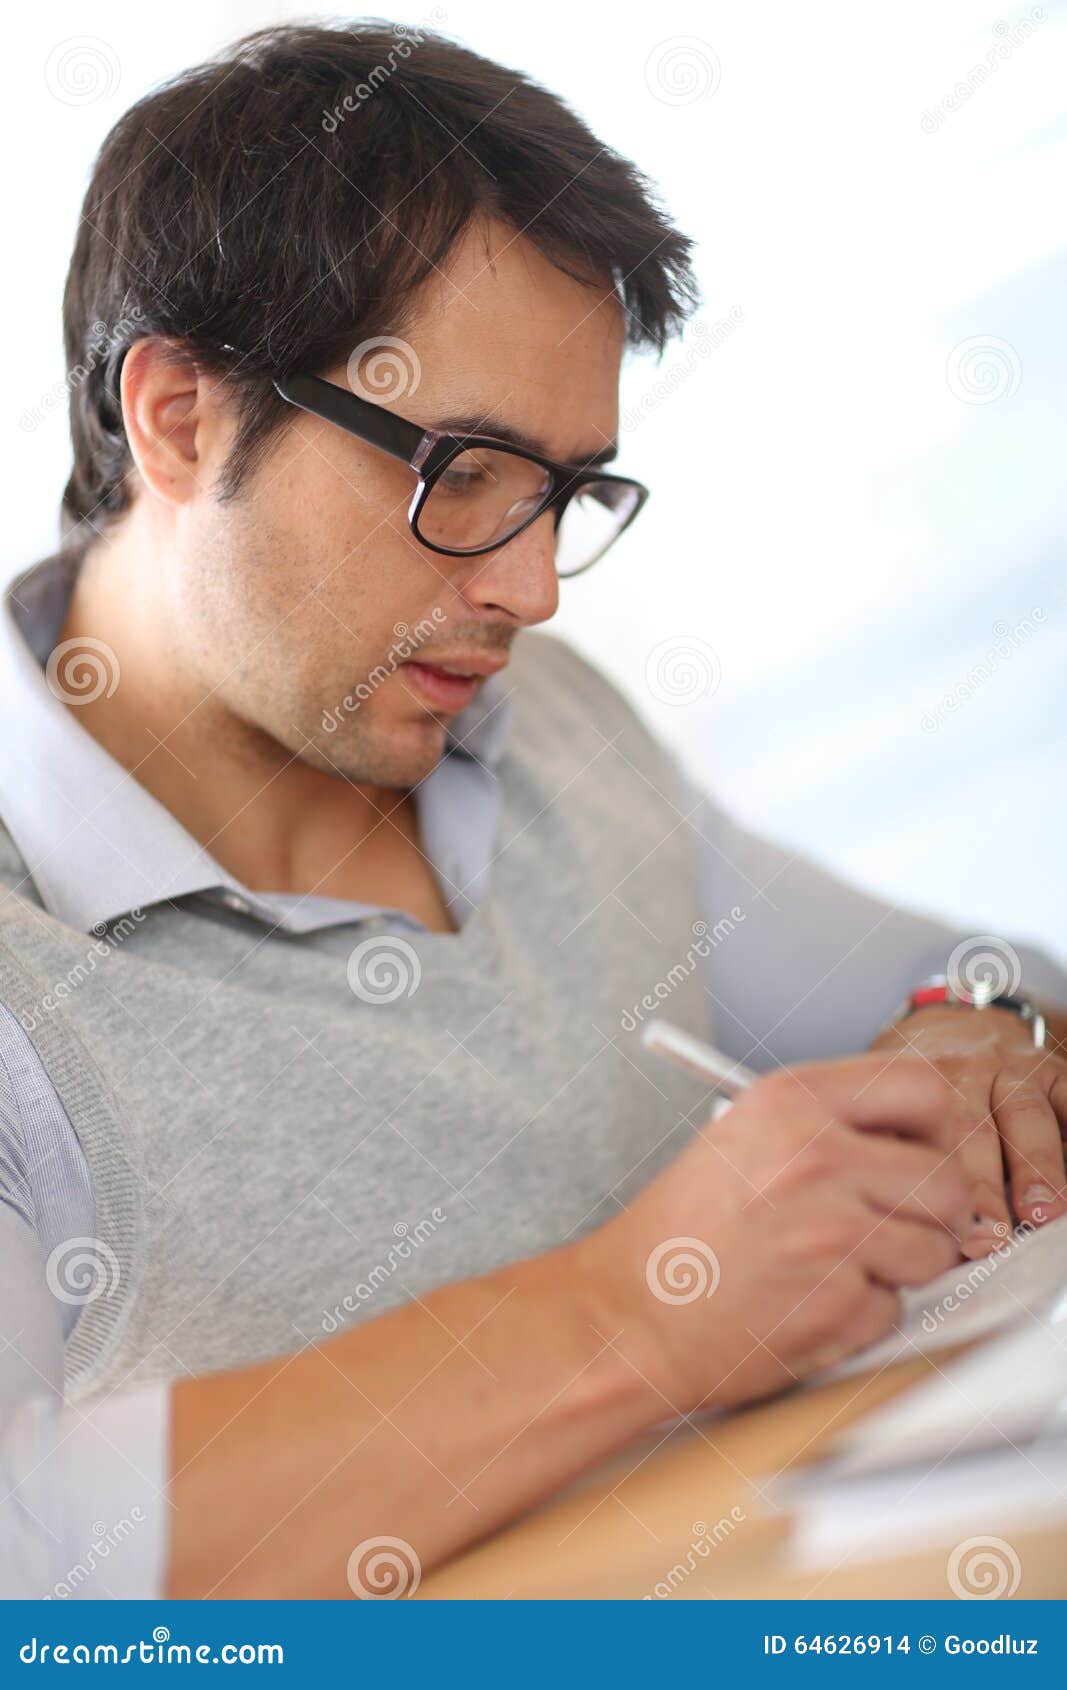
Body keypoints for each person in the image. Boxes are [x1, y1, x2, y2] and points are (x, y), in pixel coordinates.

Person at [2, 22, 1065, 1601]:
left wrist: (968, 1033)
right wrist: (640, 1311)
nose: (535, 584)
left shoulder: (528, 726)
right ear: (178, 416)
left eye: (569, 490)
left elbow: (999, 976)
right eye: (471, 474)